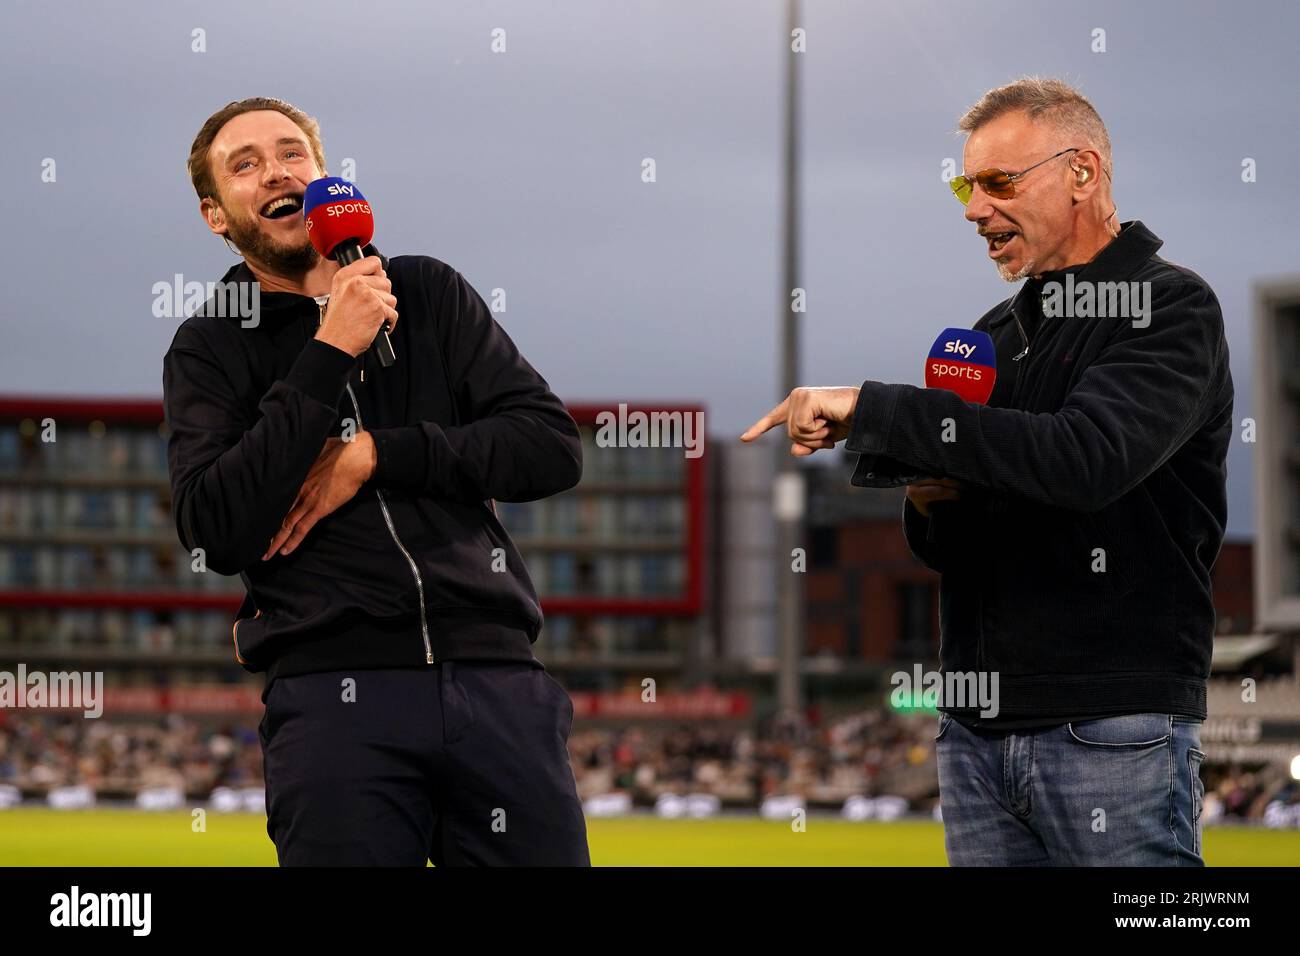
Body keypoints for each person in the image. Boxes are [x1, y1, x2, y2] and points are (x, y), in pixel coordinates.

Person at [742, 77, 1232, 866]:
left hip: (1111, 726)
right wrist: (932, 496)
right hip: (974, 731)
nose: (975, 209)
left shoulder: (1169, 307)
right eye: (965, 186)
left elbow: (1085, 460)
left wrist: (879, 409)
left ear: (1083, 172)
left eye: (999, 183)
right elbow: (956, 540)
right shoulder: (991, 335)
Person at [163, 97, 589, 866]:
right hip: (334, 696)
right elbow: (215, 526)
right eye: (246, 165)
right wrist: (330, 349)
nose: (276, 172)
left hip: (496, 682)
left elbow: (551, 447)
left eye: (292, 153)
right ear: (216, 216)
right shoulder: (208, 346)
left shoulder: (427, 292)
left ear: (325, 178)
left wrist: (375, 455)